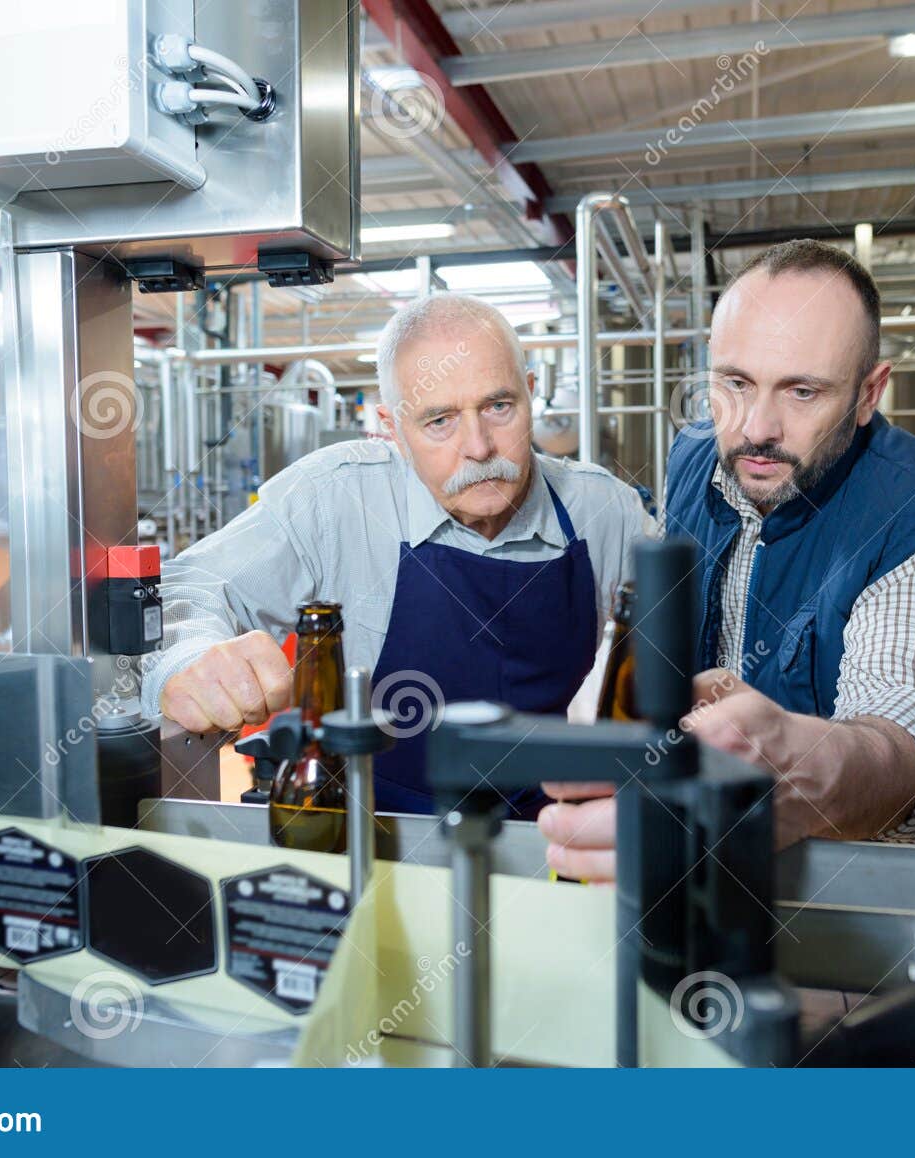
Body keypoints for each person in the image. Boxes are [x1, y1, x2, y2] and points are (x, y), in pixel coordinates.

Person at [540, 239, 915, 879]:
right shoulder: (691, 459)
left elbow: (897, 745)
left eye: (801, 392)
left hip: (840, 894)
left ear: (870, 392)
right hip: (680, 863)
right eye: (735, 383)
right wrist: (612, 678)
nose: (757, 427)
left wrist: (799, 763)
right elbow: (651, 612)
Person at [142, 292, 652, 816]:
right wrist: (189, 658)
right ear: (393, 430)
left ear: (531, 393)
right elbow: (185, 588)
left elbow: (688, 649)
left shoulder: (604, 509)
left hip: (560, 834)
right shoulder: (335, 498)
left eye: (498, 406)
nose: (478, 446)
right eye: (439, 421)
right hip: (380, 833)